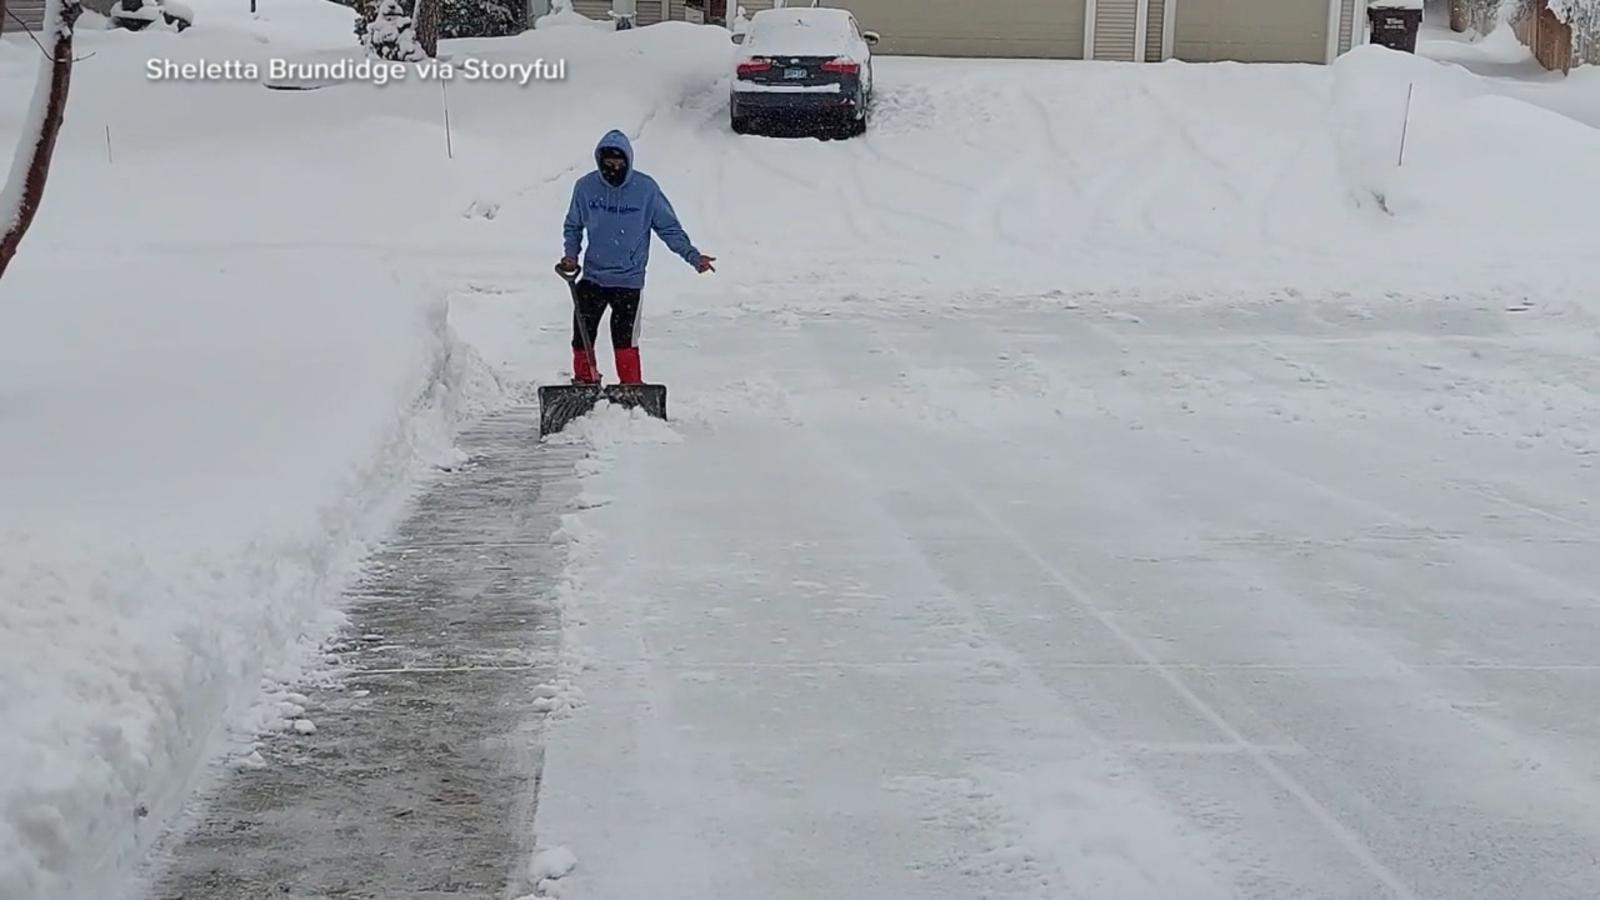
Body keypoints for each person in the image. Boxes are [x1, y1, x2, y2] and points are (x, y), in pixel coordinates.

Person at [559, 129, 714, 384]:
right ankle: (584, 383)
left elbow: (668, 228)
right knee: (581, 337)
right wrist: (571, 256)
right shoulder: (585, 188)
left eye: (619, 163)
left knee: (624, 340)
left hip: (628, 281)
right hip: (592, 277)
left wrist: (693, 257)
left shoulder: (645, 190)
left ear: (628, 161)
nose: (613, 168)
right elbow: (573, 226)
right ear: (600, 161)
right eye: (608, 163)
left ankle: (631, 388)